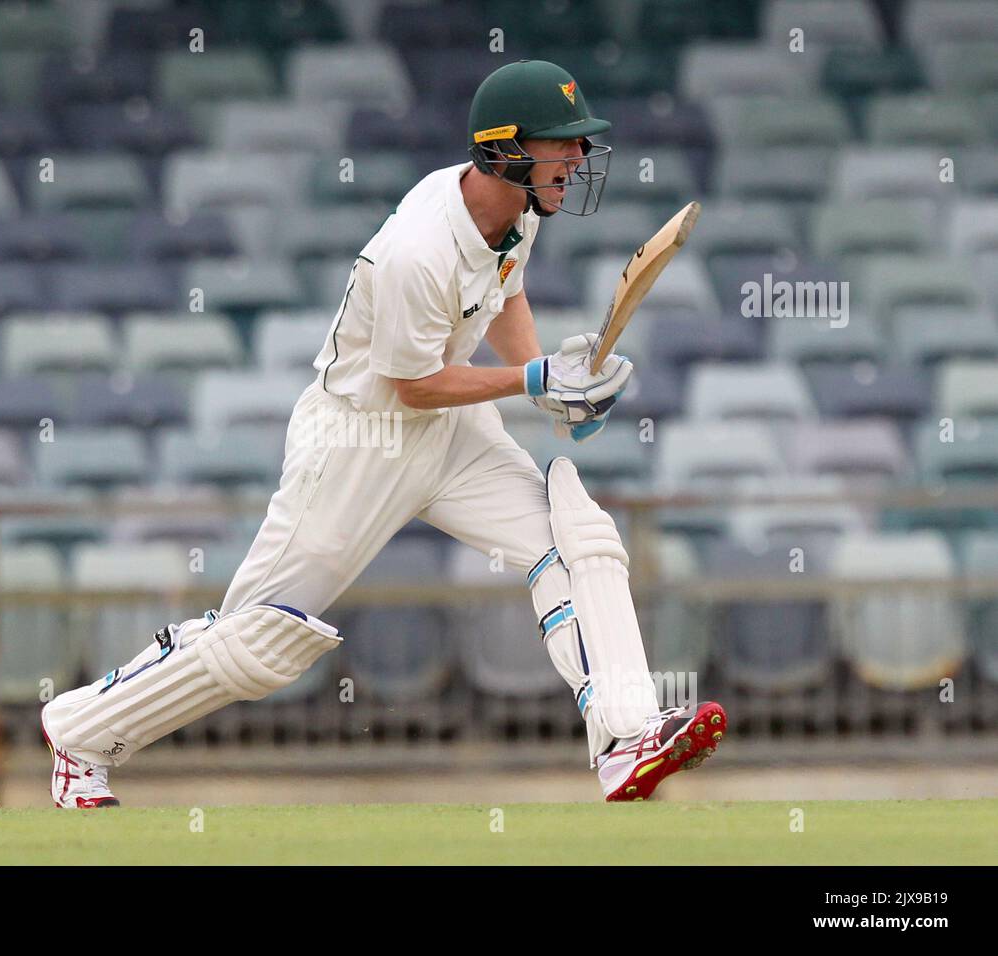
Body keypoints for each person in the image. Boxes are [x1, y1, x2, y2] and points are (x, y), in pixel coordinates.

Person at [42, 60, 727, 808]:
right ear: (503, 150)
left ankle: (625, 739)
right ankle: (80, 732)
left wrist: (549, 380)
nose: (576, 158)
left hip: (451, 431)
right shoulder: (416, 251)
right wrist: (532, 383)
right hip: (360, 439)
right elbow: (413, 384)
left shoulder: (515, 211)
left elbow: (504, 293)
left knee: (577, 539)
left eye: (577, 144)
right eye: (559, 144)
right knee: (261, 642)